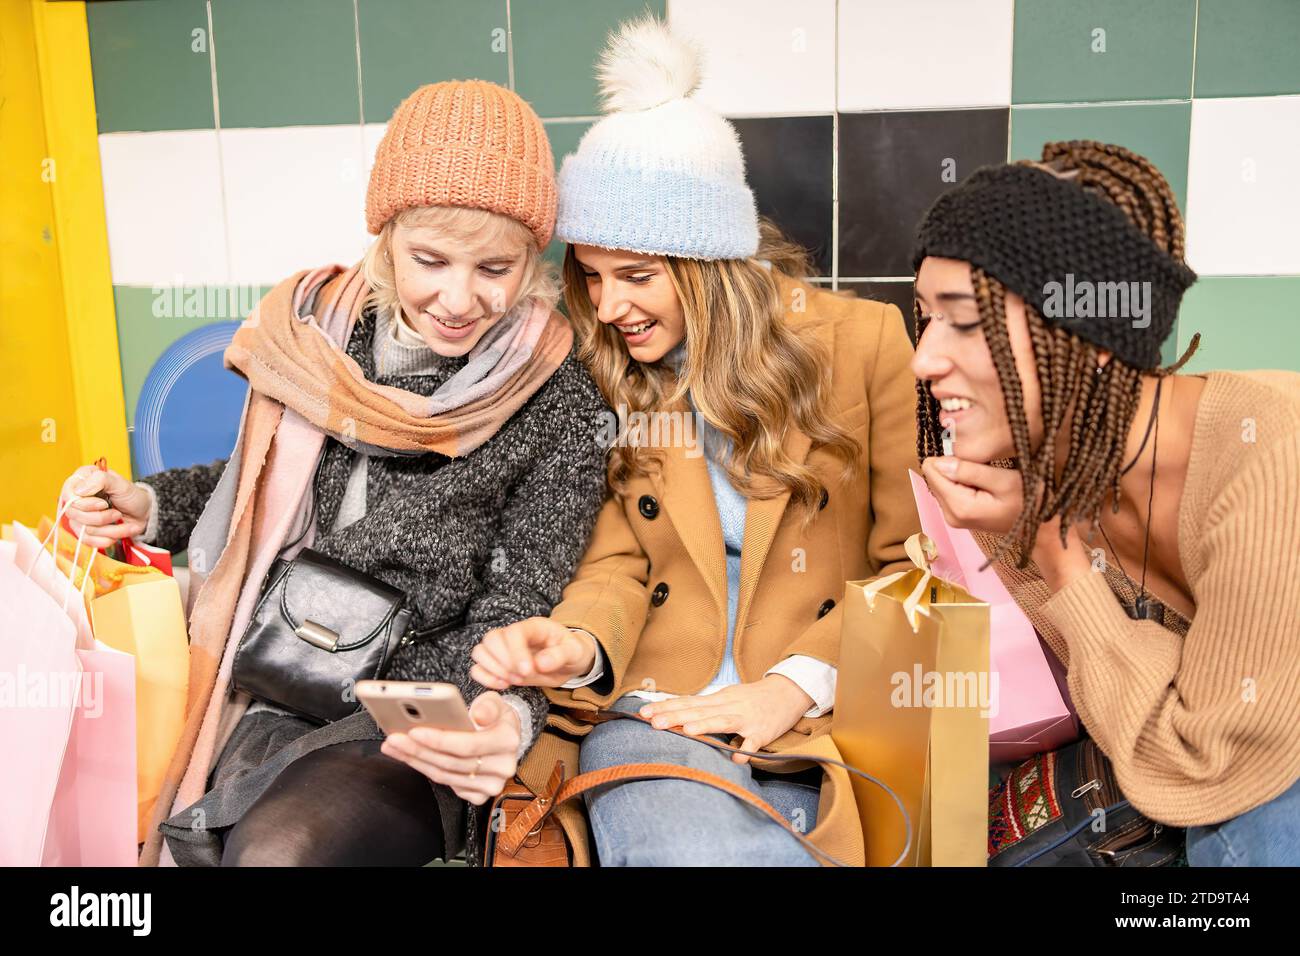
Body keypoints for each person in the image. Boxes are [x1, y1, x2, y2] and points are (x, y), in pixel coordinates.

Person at [59, 79, 610, 867]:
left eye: (496, 268)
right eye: (429, 260)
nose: (458, 298)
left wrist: (501, 714)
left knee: (278, 856)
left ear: (534, 261)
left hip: (409, 710)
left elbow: (522, 599)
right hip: (265, 675)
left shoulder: (556, 393)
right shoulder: (320, 335)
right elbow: (256, 481)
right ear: (386, 240)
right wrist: (147, 505)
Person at [470, 17, 920, 866]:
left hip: (830, 715)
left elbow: (913, 568)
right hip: (657, 709)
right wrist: (578, 644)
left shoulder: (867, 345)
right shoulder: (609, 369)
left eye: (637, 277)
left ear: (716, 268)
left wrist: (790, 688)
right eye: (592, 277)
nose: (606, 310)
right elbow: (619, 563)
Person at [910, 140, 1300, 865]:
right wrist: (1035, 540)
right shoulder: (1037, 467)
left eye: (965, 321)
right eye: (925, 316)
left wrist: (1061, 560)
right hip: (1197, 768)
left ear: (1085, 333)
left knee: (1255, 827)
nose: (924, 358)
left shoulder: (1273, 454)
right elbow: (1116, 712)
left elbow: (1197, 769)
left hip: (1249, 783)